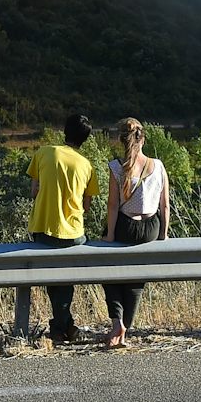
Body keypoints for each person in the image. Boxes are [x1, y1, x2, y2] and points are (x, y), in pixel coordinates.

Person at [27, 114, 100, 344]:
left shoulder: (44, 152)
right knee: (65, 282)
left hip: (45, 228)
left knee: (55, 282)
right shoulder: (87, 165)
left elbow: (34, 191)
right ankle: (64, 326)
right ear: (85, 139)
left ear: (64, 131)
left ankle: (61, 327)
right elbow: (86, 207)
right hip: (74, 233)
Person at [101, 118, 170, 349]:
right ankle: (125, 329)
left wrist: (110, 235)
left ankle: (116, 322)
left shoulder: (116, 167)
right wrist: (164, 234)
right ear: (144, 139)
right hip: (150, 228)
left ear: (122, 140)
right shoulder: (158, 166)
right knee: (136, 279)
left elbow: (112, 206)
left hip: (125, 226)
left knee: (108, 270)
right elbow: (165, 205)